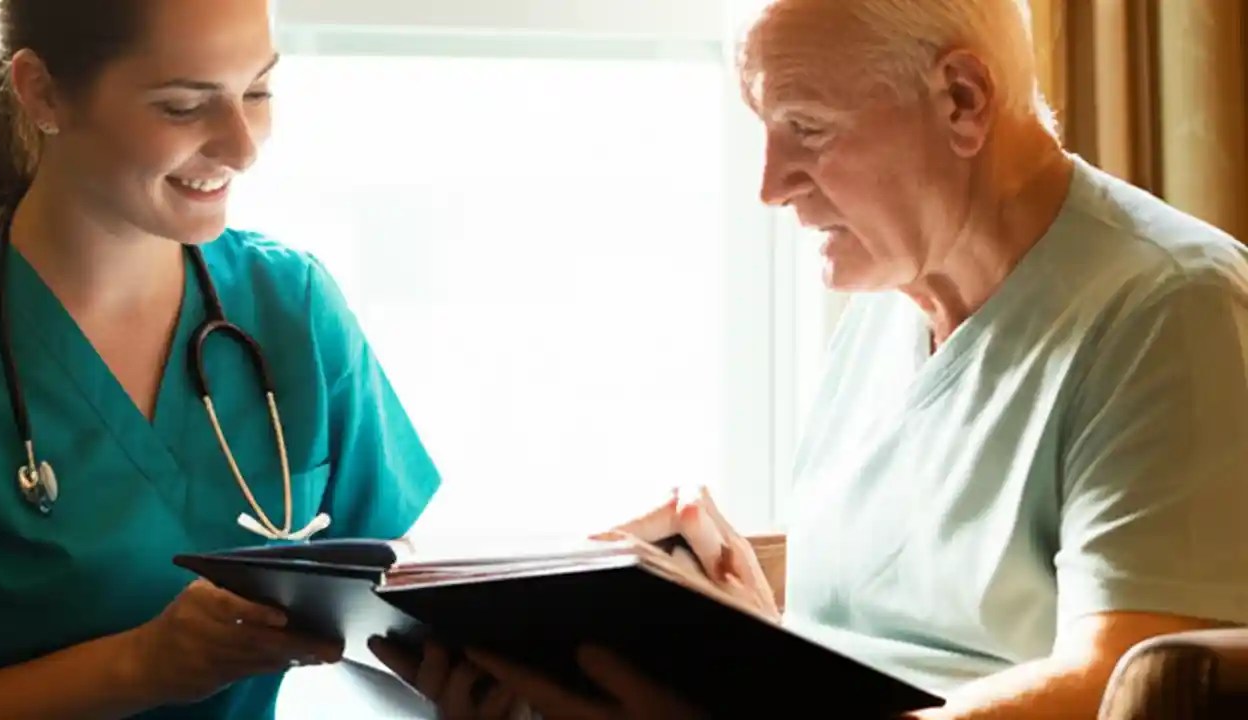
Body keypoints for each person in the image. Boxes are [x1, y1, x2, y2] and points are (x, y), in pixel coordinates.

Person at [372, 0, 1248, 717]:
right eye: (761, 123)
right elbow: (889, 645)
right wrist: (719, 631)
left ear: (962, 100)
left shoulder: (1170, 304)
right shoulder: (883, 307)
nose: (769, 182)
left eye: (806, 126)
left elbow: (1135, 689)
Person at [0, 0, 443, 718]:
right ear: (42, 92)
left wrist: (475, 681)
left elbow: (388, 603)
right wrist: (139, 668)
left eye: (257, 91)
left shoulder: (291, 307)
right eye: (185, 106)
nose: (244, 146)